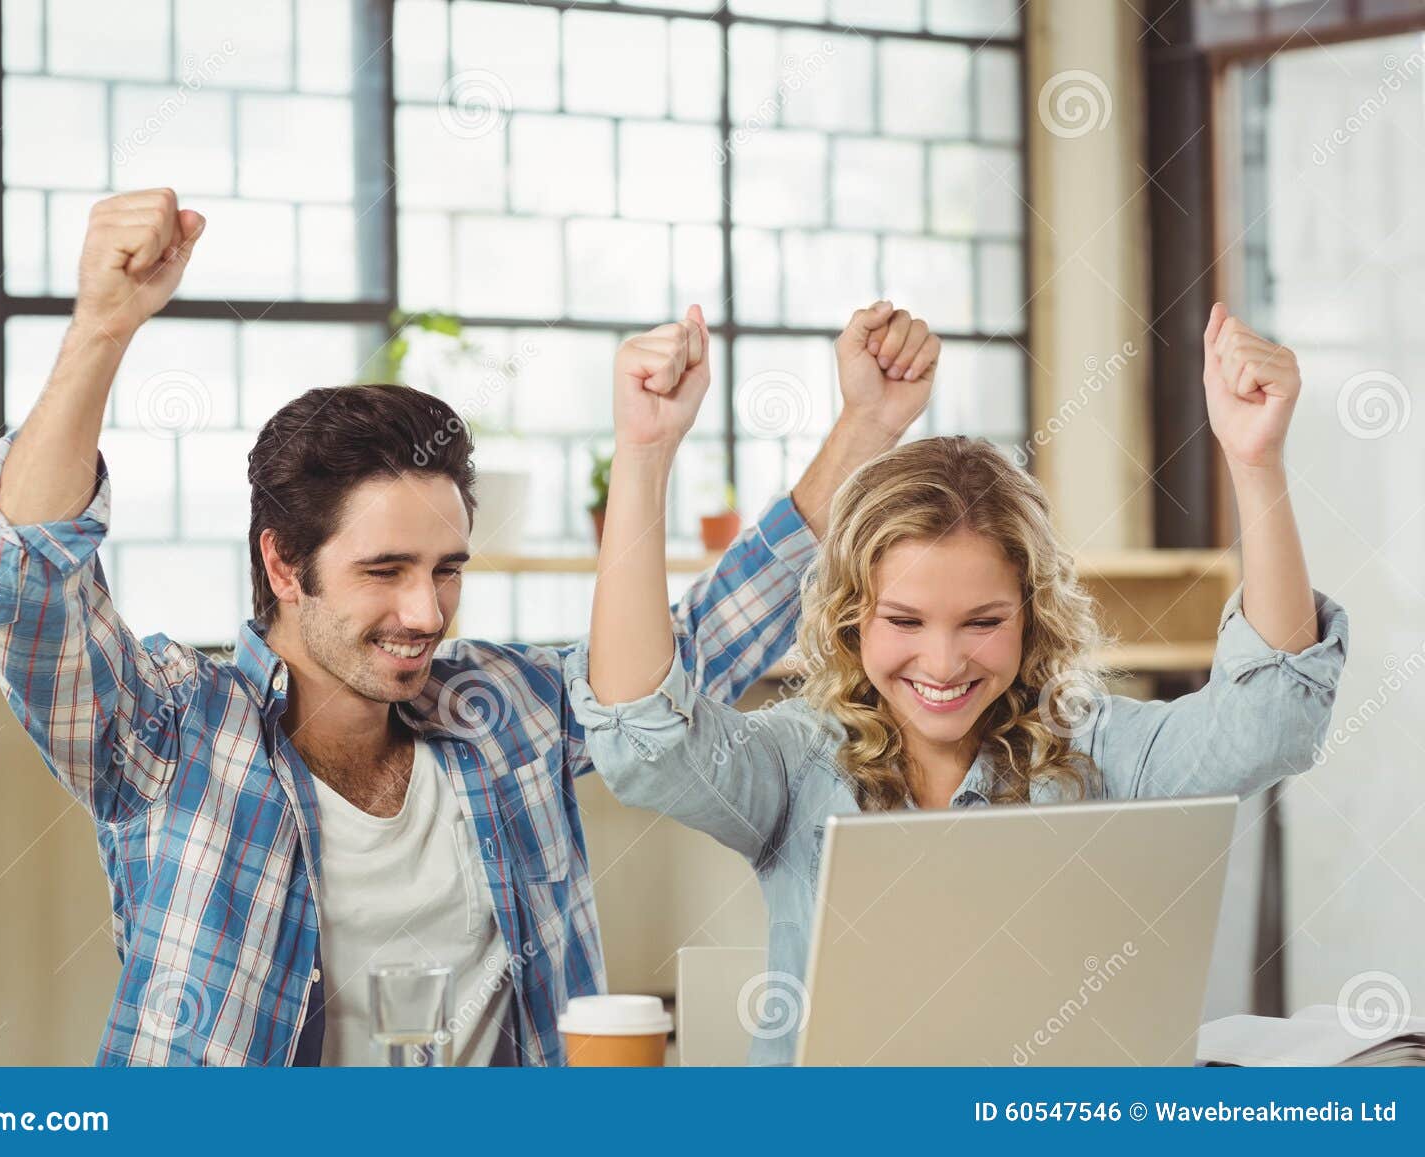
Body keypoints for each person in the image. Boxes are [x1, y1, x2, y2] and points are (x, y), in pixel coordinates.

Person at [0, 188, 917, 1065]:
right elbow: (32, 588)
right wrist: (102, 327)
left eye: (447, 569)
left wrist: (864, 428)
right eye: (384, 571)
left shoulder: (502, 711)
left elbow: (694, 649)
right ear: (283, 564)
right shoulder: (171, 732)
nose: (425, 614)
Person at [568, 300, 1349, 1064]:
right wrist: (643, 454)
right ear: (852, 617)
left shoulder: (1100, 748)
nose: (942, 665)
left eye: (982, 622)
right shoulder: (795, 761)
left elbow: (1270, 724)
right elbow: (646, 743)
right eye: (904, 620)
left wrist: (1256, 465)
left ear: (1032, 616)